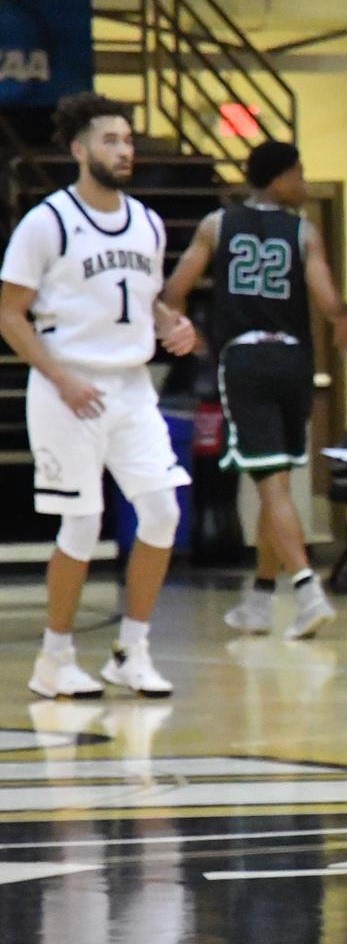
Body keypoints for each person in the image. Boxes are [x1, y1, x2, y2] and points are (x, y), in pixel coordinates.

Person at [0, 93, 198, 698]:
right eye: (111, 140)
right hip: (67, 387)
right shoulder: (47, 221)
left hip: (131, 387)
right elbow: (10, 315)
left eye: (129, 140)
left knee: (162, 511)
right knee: (81, 524)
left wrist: (171, 325)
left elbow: (143, 301)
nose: (124, 149)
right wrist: (62, 377)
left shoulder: (148, 221)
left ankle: (131, 650)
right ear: (80, 149)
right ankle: (54, 659)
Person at [161, 139, 347, 640]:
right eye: (299, 173)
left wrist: (186, 330)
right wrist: (344, 321)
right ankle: (261, 598)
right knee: (278, 485)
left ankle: (308, 587)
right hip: (294, 358)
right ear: (277, 178)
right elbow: (328, 297)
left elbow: (173, 291)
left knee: (271, 485)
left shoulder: (216, 225)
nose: (305, 182)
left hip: (245, 358)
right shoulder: (303, 231)